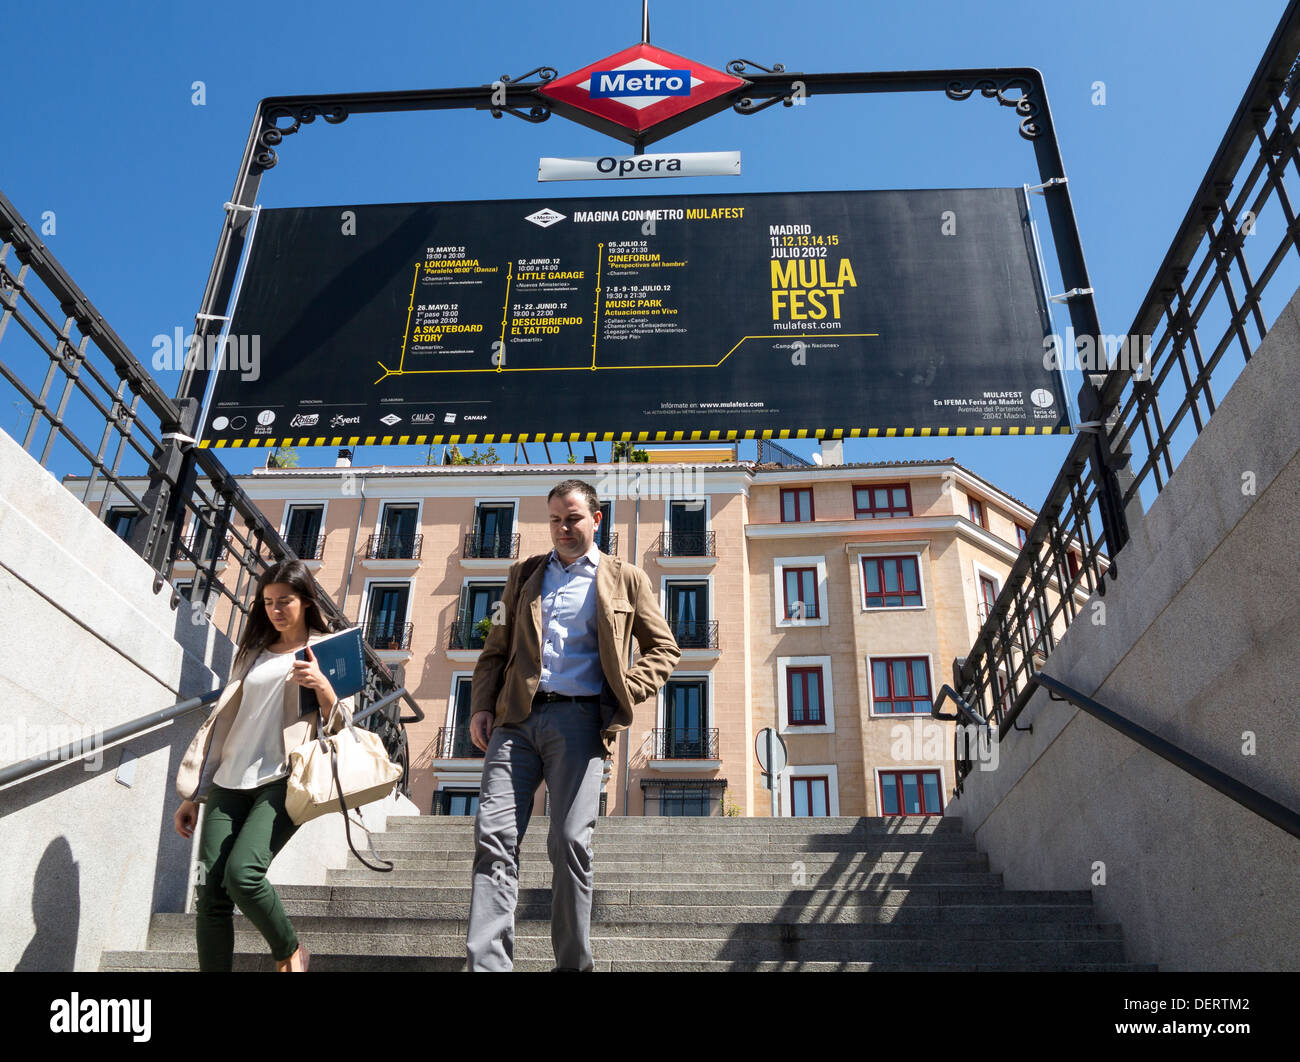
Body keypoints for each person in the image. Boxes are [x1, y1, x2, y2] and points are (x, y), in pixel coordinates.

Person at [465, 479, 681, 971]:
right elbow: (495, 649)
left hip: (581, 723)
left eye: (573, 518)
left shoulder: (626, 579)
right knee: (493, 839)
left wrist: (624, 689)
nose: (563, 528)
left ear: (596, 519)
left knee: (567, 842)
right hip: (515, 721)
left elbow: (664, 648)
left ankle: (571, 965)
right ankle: (488, 966)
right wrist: (482, 706)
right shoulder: (522, 576)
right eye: (556, 519)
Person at [173, 559, 354, 972]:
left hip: (283, 780)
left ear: (306, 601)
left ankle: (290, 951)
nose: (275, 610)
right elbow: (227, 724)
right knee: (210, 897)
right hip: (227, 781)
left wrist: (323, 686)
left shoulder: (327, 649)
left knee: (243, 874)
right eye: (268, 602)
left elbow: (344, 722)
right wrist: (195, 796)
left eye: (285, 601)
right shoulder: (251, 652)